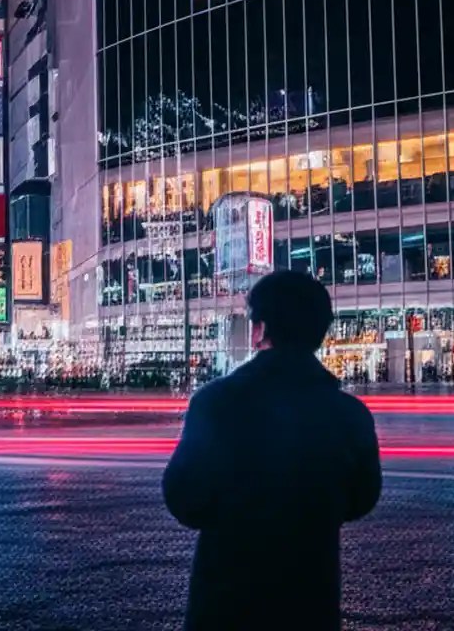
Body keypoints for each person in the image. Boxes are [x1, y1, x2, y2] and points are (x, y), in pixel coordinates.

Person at [163, 270, 382, 630]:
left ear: (260, 329)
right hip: (311, 596)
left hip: (225, 596)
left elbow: (183, 497)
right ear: (320, 332)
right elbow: (363, 498)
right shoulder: (349, 413)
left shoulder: (215, 402)